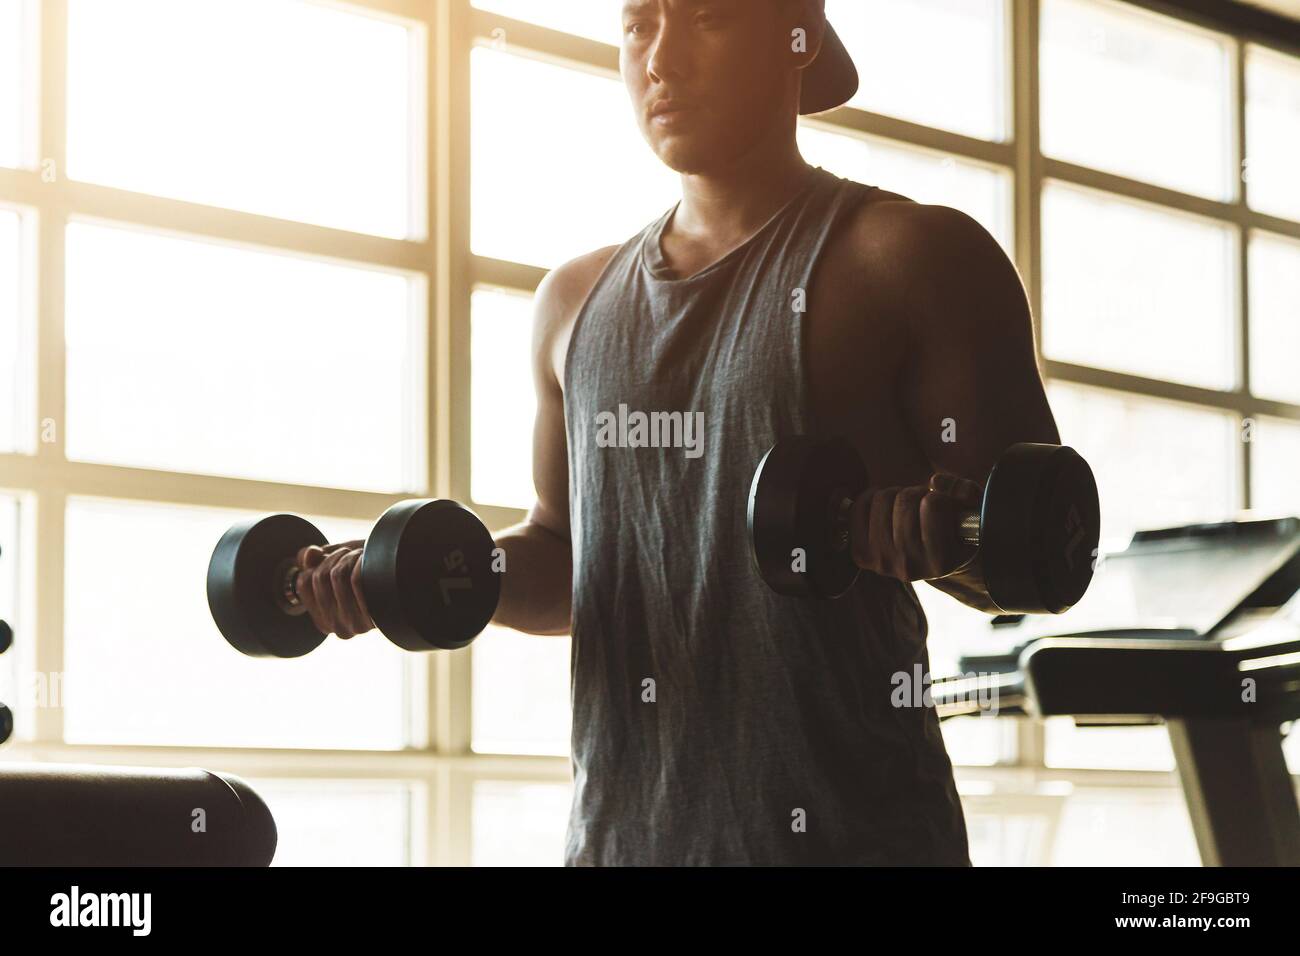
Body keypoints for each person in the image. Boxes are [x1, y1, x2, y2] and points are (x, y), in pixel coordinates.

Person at [294, 0, 1060, 865]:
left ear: (792, 42)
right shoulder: (572, 303)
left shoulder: (911, 257)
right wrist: (434, 572)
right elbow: (571, 559)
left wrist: (939, 544)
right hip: (623, 843)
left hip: (859, 839)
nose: (660, 59)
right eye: (636, 23)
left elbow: (1033, 556)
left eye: (706, 17)